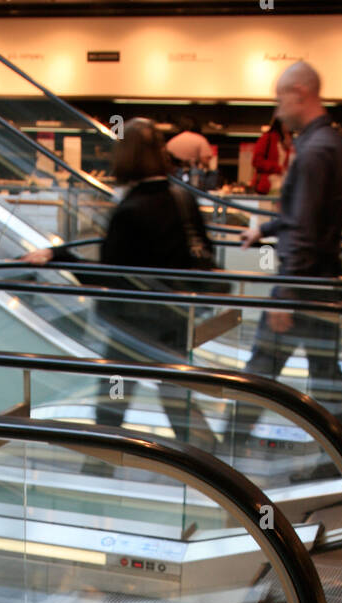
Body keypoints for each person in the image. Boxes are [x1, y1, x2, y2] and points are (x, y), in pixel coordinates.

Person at [21, 117, 217, 453]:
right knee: (175, 393)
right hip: (175, 316)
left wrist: (59, 256)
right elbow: (202, 253)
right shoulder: (181, 199)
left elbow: (107, 277)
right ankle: (209, 458)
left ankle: (101, 458)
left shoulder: (130, 210)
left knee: (113, 395)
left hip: (133, 322)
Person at [238, 61, 342, 436]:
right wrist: (267, 229)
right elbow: (307, 216)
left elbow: (304, 230)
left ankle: (224, 456)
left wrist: (284, 296)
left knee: (259, 374)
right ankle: (338, 458)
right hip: (323, 282)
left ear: (300, 93)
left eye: (280, 98)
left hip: (300, 284)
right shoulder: (331, 143)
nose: (277, 109)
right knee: (325, 373)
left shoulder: (314, 152)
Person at [250, 116, 292, 195]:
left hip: (281, 187)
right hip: (266, 187)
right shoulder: (267, 138)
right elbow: (256, 161)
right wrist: (278, 168)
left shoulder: (286, 143)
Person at [165, 114, 215, 179]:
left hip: (174, 178)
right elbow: (205, 160)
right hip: (192, 178)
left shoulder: (171, 141)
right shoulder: (200, 140)